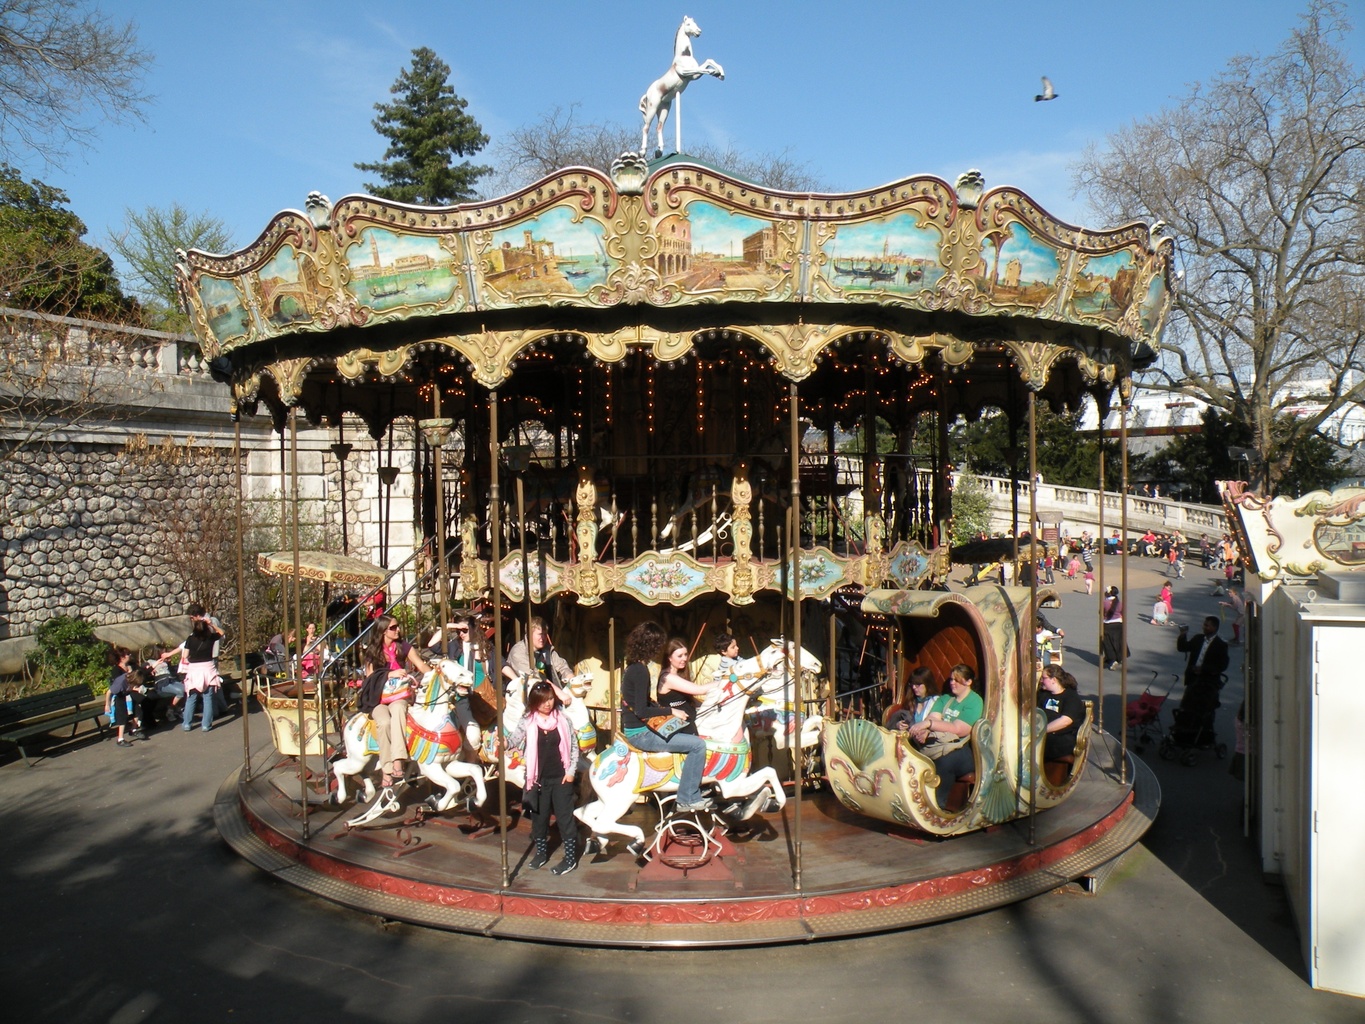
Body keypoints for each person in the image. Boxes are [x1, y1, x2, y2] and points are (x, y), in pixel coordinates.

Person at [618, 621, 712, 812]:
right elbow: (641, 711)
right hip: (641, 734)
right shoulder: (640, 671)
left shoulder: (634, 667)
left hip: (637, 730)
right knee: (697, 745)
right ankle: (687, 797)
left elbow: (640, 704)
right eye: (658, 644)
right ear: (650, 645)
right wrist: (671, 711)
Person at [507, 679, 581, 875]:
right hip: (537, 779)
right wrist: (502, 742)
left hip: (561, 777)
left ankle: (571, 858)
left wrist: (571, 772)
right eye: (543, 700)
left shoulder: (564, 720)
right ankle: (541, 852)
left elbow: (574, 747)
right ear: (534, 702)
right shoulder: (527, 721)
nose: (547, 704)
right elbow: (514, 740)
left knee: (565, 818)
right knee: (539, 819)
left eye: (550, 699)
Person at [360, 614, 431, 790]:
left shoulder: (403, 646)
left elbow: (421, 665)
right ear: (383, 631)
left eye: (397, 626)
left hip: (398, 696)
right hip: (378, 698)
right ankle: (386, 768)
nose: (397, 630)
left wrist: (435, 677)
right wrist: (389, 674)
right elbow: (369, 679)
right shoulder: (373, 651)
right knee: (383, 722)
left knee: (399, 709)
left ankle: (398, 759)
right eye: (393, 627)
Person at [908, 664, 983, 808]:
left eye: (957, 680)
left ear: (968, 682)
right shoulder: (945, 699)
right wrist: (925, 731)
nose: (952, 683)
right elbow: (933, 717)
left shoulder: (974, 701)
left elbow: (959, 729)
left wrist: (928, 725)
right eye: (951, 679)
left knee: (945, 761)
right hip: (941, 743)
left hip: (962, 748)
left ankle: (938, 806)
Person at [159, 604, 226, 733]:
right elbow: (221, 633)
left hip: (194, 670)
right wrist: (211, 624)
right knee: (208, 698)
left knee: (191, 697)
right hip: (208, 669)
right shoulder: (210, 638)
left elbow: (185, 654)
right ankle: (206, 725)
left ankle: (187, 724)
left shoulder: (190, 639)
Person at [657, 637, 713, 733]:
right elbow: (699, 690)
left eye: (685, 655)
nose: (684, 658)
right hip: (678, 723)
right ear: (669, 658)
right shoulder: (667, 677)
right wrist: (724, 681)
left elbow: (685, 699)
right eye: (680, 656)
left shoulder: (678, 674)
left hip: (688, 716)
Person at [504, 617, 573, 687]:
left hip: (551, 691)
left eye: (545, 634)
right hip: (528, 693)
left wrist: (570, 678)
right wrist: (558, 692)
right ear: (529, 634)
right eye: (540, 634)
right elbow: (532, 679)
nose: (543, 638)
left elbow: (562, 666)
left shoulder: (547, 649)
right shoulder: (518, 652)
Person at [1037, 665, 1085, 761]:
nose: (1041, 681)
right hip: (1040, 731)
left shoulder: (1071, 697)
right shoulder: (1042, 694)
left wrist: (1041, 731)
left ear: (1053, 679)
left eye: (1044, 678)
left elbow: (1065, 720)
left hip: (1061, 736)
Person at [885, 666, 936, 733]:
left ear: (927, 684)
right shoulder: (911, 701)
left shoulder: (936, 701)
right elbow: (890, 725)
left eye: (918, 685)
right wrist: (898, 725)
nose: (914, 687)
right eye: (912, 684)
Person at [1101, 586, 1126, 669]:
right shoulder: (1119, 602)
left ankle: (1112, 660)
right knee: (1118, 642)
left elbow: (1101, 612)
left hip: (1108, 624)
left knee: (1108, 644)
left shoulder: (1105, 602)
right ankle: (1119, 658)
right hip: (1119, 623)